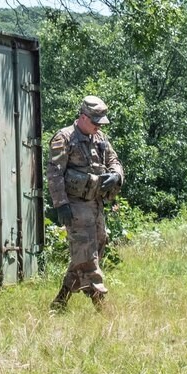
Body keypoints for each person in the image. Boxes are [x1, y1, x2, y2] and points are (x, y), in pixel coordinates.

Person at [45, 95, 122, 312]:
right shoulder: (64, 138)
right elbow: (54, 173)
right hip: (76, 206)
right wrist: (61, 204)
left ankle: (60, 302)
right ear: (83, 117)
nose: (98, 126)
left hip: (96, 205)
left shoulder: (100, 138)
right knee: (87, 257)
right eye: (95, 122)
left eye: (100, 123)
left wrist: (116, 175)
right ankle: (102, 307)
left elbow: (114, 161)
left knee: (94, 247)